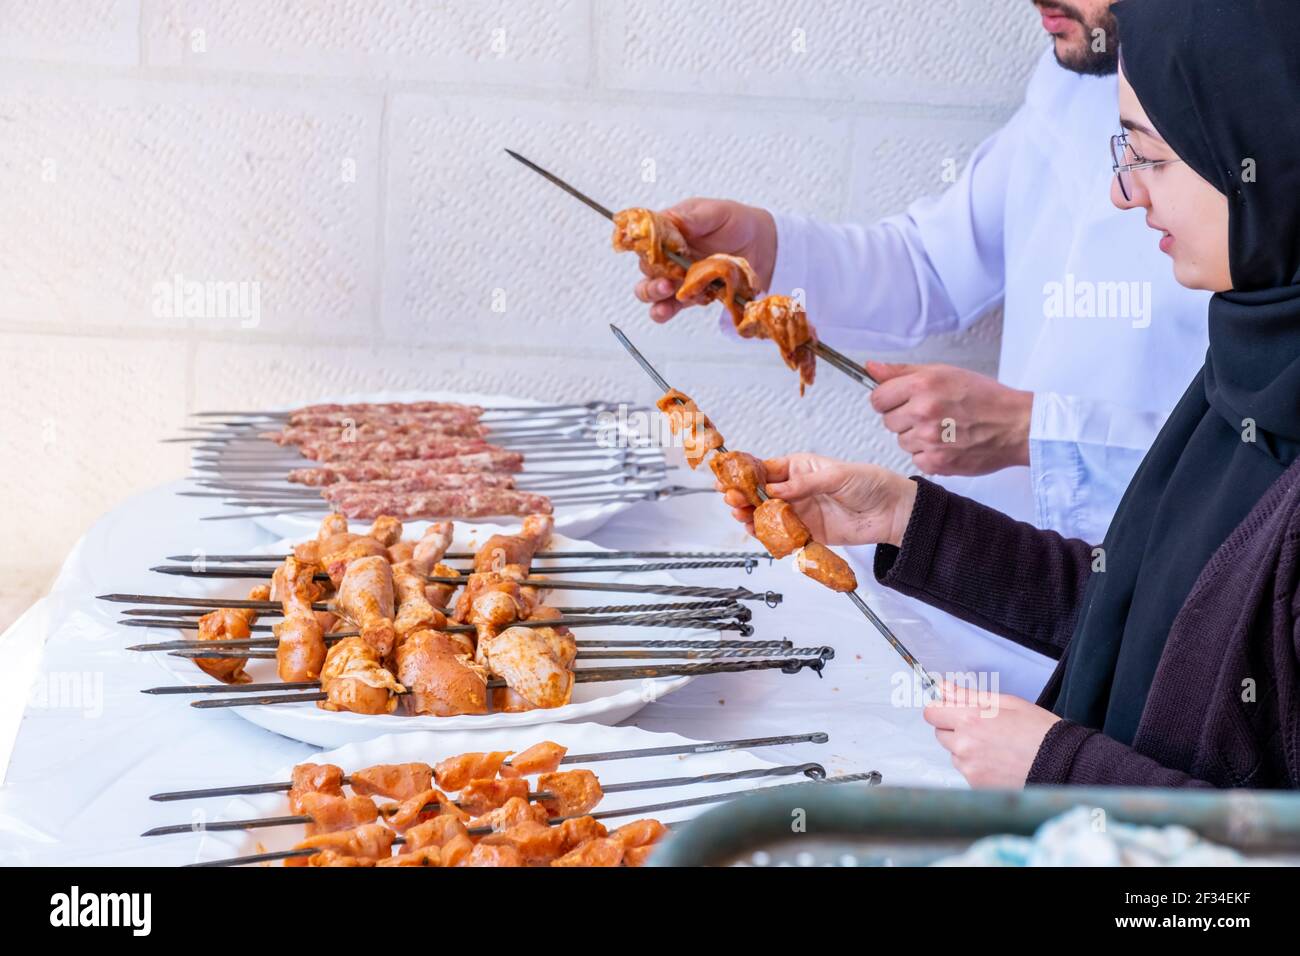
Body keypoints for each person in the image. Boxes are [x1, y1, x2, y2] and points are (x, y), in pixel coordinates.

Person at [719, 0, 1300, 789]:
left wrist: (1060, 769)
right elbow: (1143, 618)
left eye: (1153, 158)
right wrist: (909, 519)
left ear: (1256, 148)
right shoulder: (1246, 358)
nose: (1126, 196)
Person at [632, 0, 1209, 547]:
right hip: (993, 563)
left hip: (1166, 603)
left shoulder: (1263, 126)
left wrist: (1034, 431)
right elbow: (933, 264)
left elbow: (1267, 476)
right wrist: (764, 254)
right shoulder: (1075, 76)